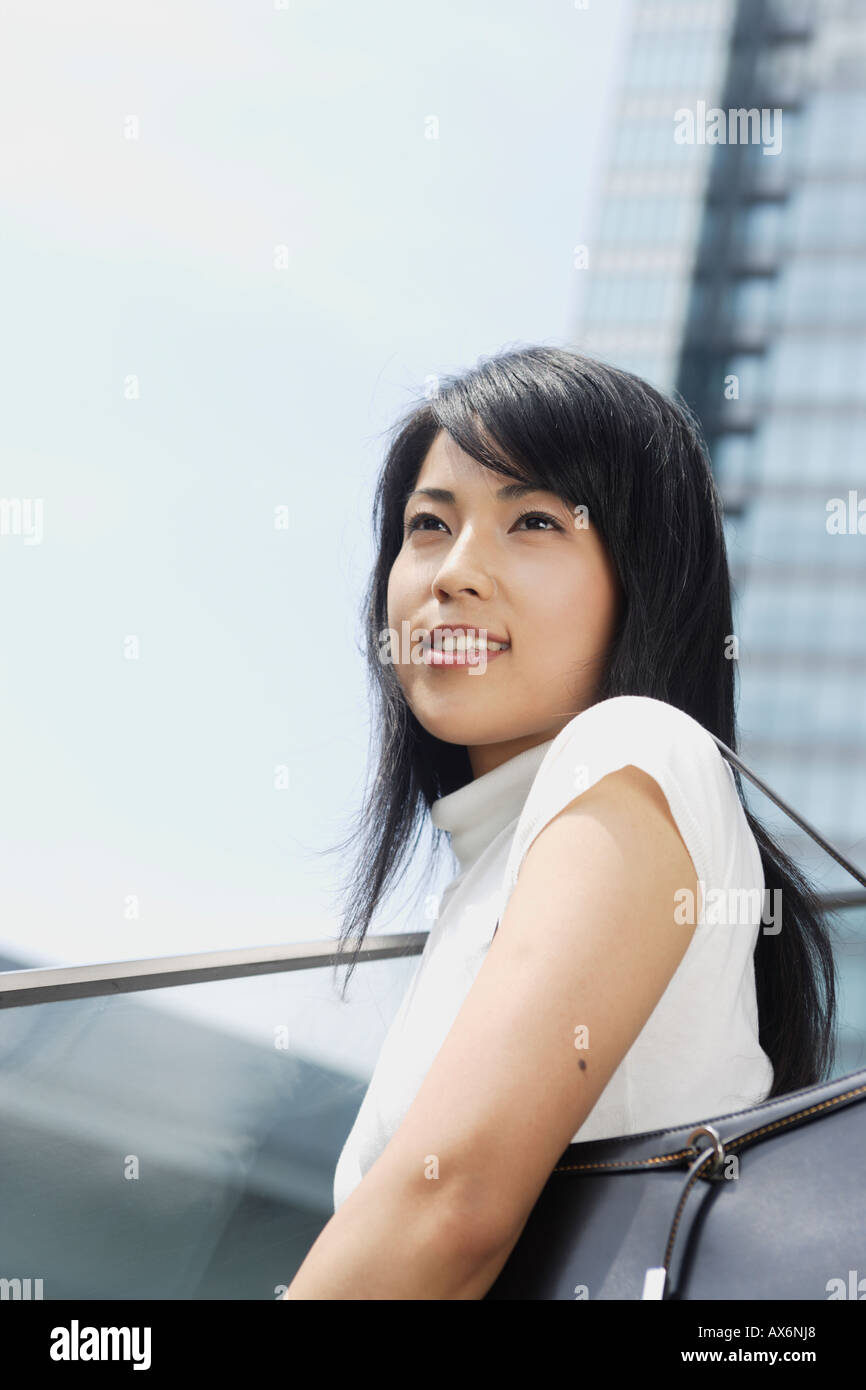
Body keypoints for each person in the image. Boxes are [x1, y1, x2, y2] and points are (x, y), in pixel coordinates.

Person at [281, 346, 836, 1300]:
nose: (454, 572)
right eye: (428, 525)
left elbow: (448, 1206)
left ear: (642, 581)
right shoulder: (487, 875)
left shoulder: (631, 750)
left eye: (533, 520)